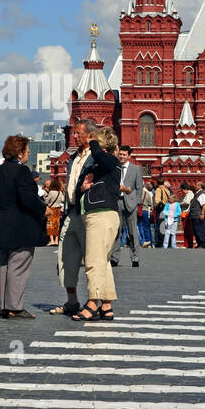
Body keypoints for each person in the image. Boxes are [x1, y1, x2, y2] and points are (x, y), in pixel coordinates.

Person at [0, 134, 47, 319]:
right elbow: (28, 198)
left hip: (3, 222)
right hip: (21, 224)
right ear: (20, 152)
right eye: (27, 151)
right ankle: (15, 305)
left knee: (3, 265)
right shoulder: (22, 171)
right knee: (19, 264)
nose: (29, 154)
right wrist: (43, 209)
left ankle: (4, 306)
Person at [73, 126, 121, 321]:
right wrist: (83, 189)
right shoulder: (101, 166)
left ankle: (93, 302)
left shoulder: (110, 160)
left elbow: (101, 156)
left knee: (93, 262)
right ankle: (106, 305)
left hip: (102, 217)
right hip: (97, 215)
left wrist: (92, 140)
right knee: (103, 262)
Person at [49, 121, 94, 317]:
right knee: (65, 257)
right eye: (74, 133)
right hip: (71, 212)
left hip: (88, 214)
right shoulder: (73, 158)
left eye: (78, 133)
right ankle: (72, 301)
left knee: (92, 259)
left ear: (90, 135)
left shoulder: (96, 158)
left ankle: (95, 302)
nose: (74, 136)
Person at [113, 145, 142, 269]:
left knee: (132, 232)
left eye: (124, 155)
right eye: (120, 154)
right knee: (116, 231)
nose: (121, 157)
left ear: (129, 156)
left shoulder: (135, 169)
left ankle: (135, 258)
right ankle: (114, 258)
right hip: (116, 202)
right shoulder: (114, 168)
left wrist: (137, 202)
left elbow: (139, 187)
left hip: (131, 203)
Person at [44, 178, 63, 246]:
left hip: (51, 209)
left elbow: (46, 201)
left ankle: (52, 241)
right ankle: (56, 240)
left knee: (50, 225)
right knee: (56, 225)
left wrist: (45, 197)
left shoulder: (51, 192)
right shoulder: (60, 192)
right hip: (58, 210)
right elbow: (62, 200)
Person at [188, 182, 205, 247]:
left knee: (199, 230)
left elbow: (204, 204)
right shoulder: (197, 194)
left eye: (197, 185)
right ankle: (199, 244)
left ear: (200, 186)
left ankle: (202, 245)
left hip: (198, 216)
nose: (195, 186)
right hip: (195, 215)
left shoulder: (201, 194)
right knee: (196, 231)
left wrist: (202, 213)